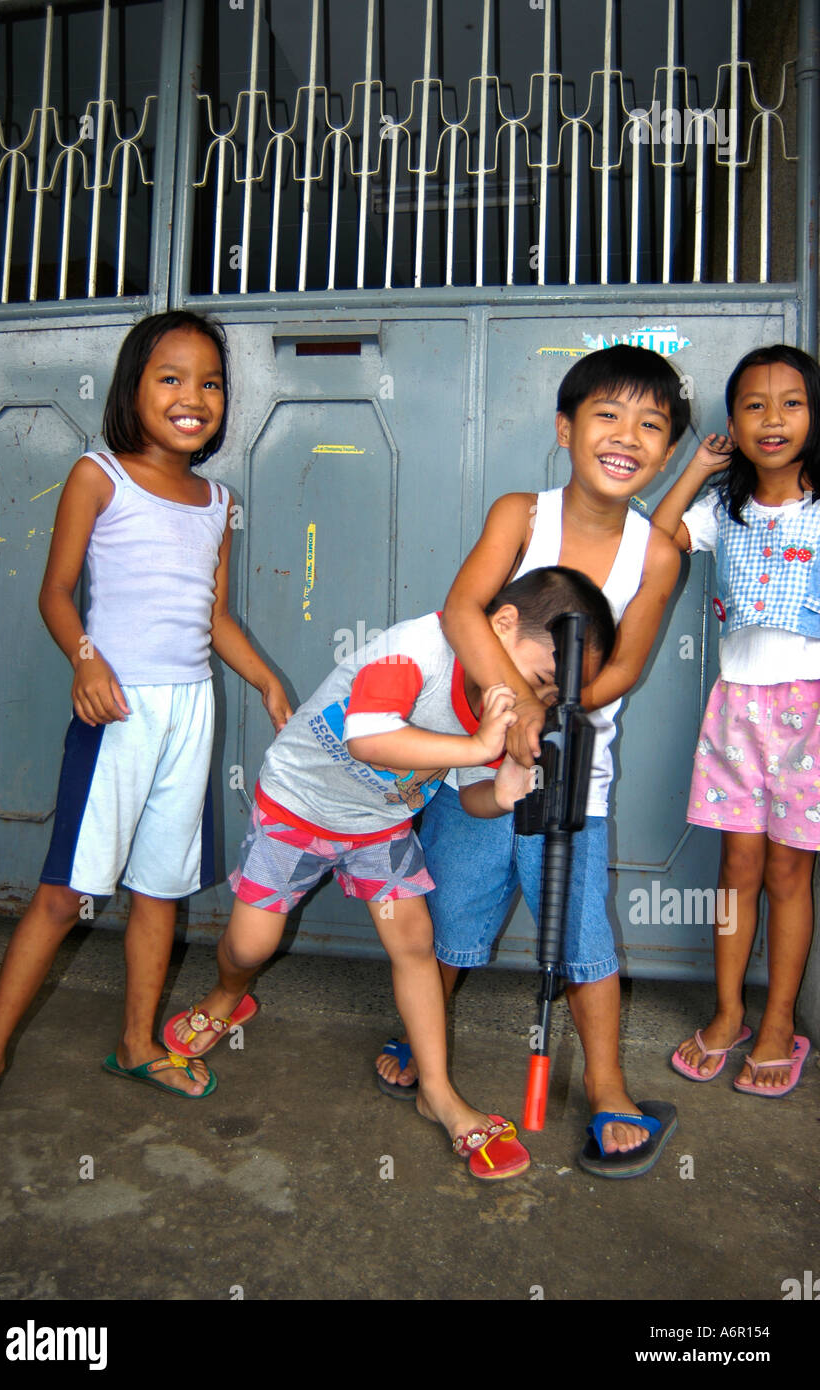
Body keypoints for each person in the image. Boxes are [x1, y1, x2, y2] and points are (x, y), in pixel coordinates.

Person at [0, 310, 292, 1152]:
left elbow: (215, 618)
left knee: (160, 889)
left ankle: (138, 1044)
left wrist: (267, 681)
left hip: (190, 710)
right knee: (64, 893)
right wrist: (85, 659)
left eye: (210, 382)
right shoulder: (97, 475)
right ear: (132, 388)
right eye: (170, 378)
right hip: (118, 710)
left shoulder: (218, 500)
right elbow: (56, 591)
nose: (193, 397)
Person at [162, 567, 614, 1179]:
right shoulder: (416, 648)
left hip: (381, 828)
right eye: (538, 680)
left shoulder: (493, 711)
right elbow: (369, 740)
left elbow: (470, 791)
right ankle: (227, 993)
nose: (539, 700)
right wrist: (481, 747)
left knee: (415, 942)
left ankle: (439, 1094)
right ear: (502, 625)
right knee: (250, 944)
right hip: (297, 807)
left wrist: (503, 792)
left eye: (552, 696)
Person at [375, 344, 691, 1178]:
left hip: (575, 786)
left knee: (585, 940)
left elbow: (619, 669)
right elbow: (462, 610)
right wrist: (512, 703)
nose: (628, 436)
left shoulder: (658, 554)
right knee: (449, 921)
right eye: (608, 416)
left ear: (668, 451)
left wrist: (550, 713)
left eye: (652, 425)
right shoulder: (522, 514)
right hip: (473, 770)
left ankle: (610, 1085)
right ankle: (425, 1043)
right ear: (566, 428)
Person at [653, 344, 819, 1095]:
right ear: (734, 422)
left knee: (789, 870)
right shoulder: (725, 508)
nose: (773, 419)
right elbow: (660, 542)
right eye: (754, 405)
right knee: (737, 869)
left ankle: (780, 1021)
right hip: (737, 708)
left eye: (791, 402)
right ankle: (729, 1014)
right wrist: (697, 469)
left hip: (810, 709)